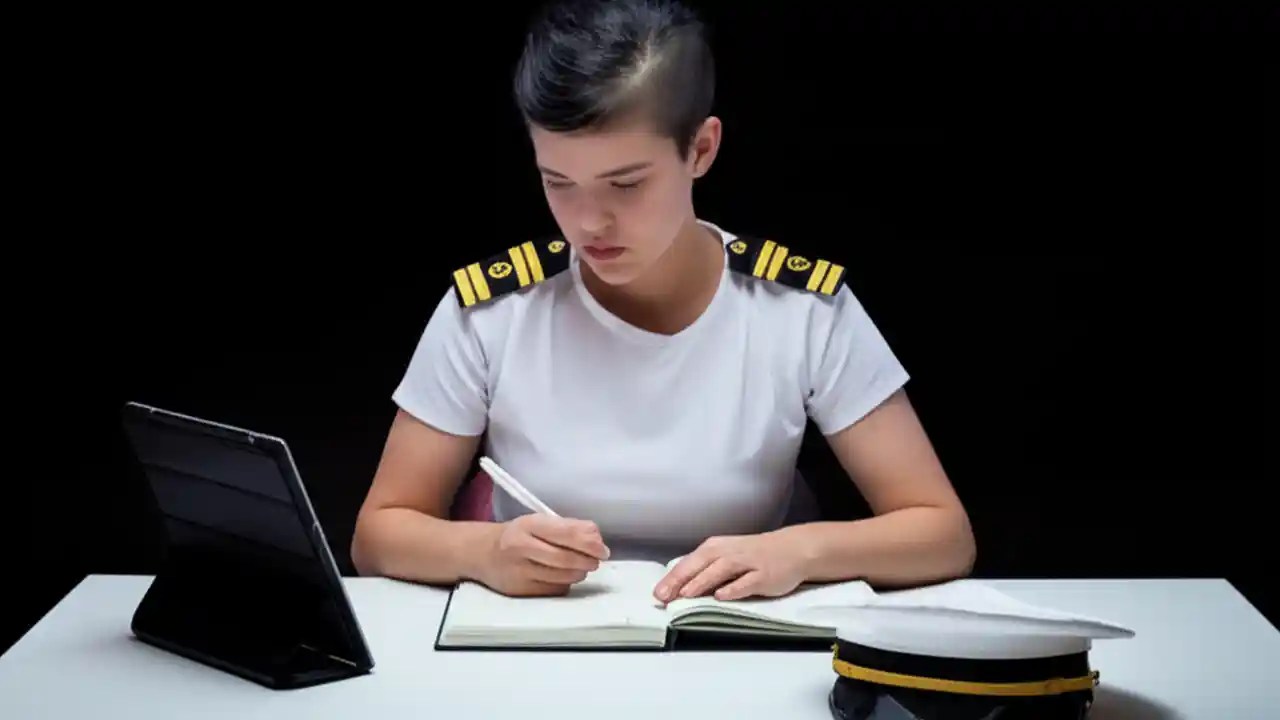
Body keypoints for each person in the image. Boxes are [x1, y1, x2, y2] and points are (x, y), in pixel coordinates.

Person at [350, 0, 975, 604]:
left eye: (626, 184)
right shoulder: (491, 312)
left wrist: (800, 552)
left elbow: (942, 534)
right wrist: (483, 554)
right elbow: (378, 534)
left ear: (701, 149)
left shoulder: (801, 309)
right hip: (535, 652)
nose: (590, 222)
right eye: (558, 183)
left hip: (737, 644)